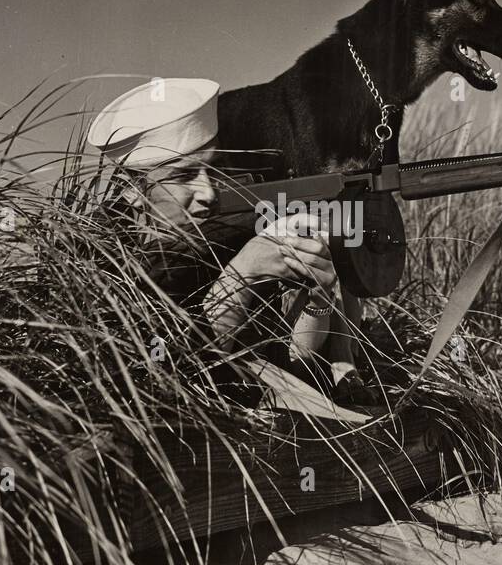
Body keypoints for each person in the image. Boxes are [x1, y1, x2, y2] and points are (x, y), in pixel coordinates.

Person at [86, 78, 338, 365]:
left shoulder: (226, 236)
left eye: (213, 170)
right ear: (131, 190)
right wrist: (242, 275)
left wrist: (320, 298)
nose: (208, 193)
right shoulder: (95, 262)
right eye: (184, 176)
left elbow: (292, 360)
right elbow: (160, 372)